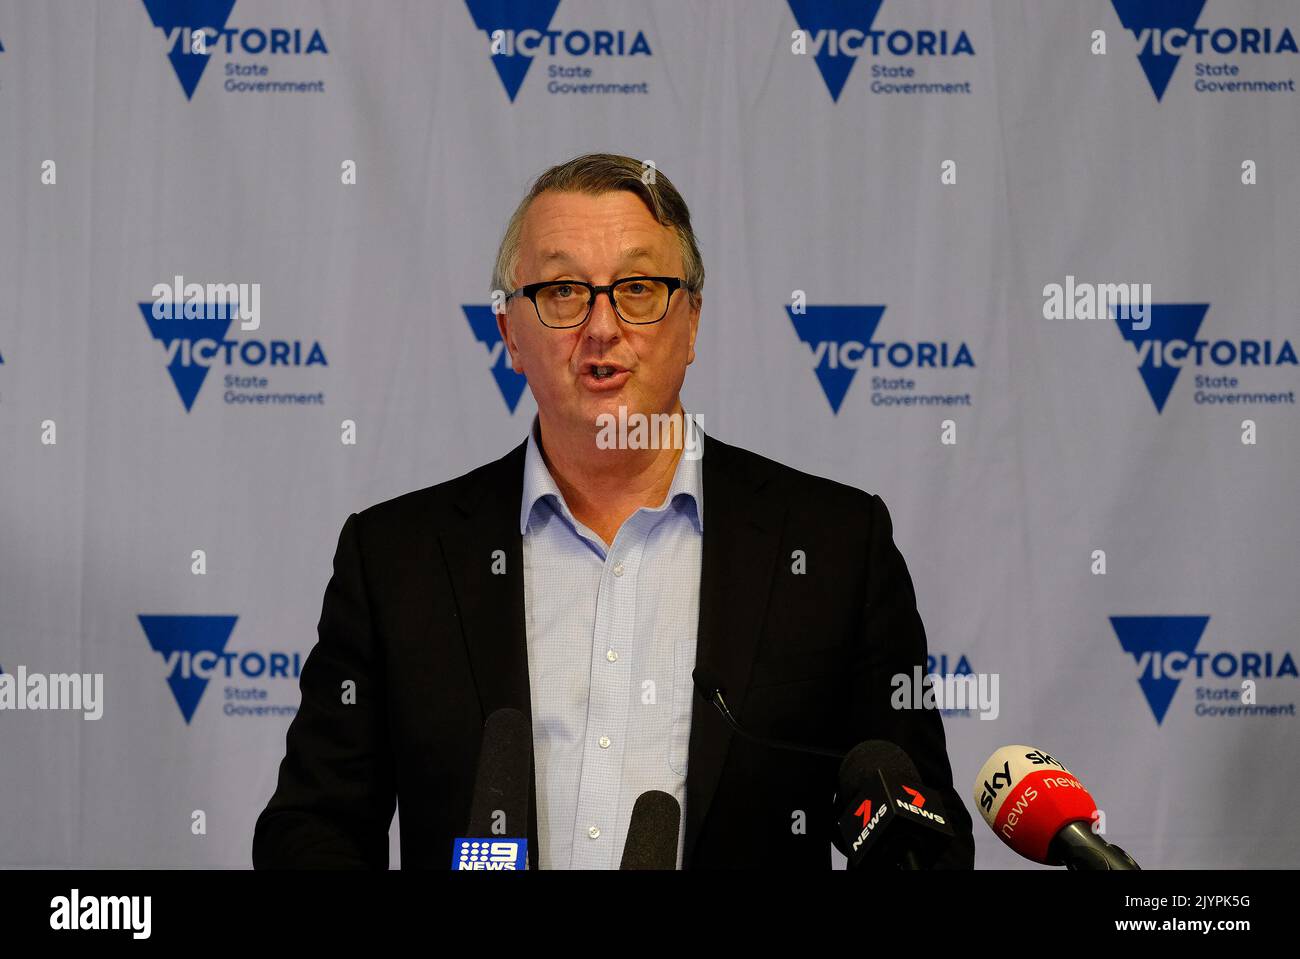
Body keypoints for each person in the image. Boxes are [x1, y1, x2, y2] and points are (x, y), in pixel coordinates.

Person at [253, 153, 975, 869]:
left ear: (691, 322)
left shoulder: (834, 549)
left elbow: (925, 836)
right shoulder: (396, 560)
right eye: (564, 290)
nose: (601, 327)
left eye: (637, 288)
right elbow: (311, 828)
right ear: (509, 333)